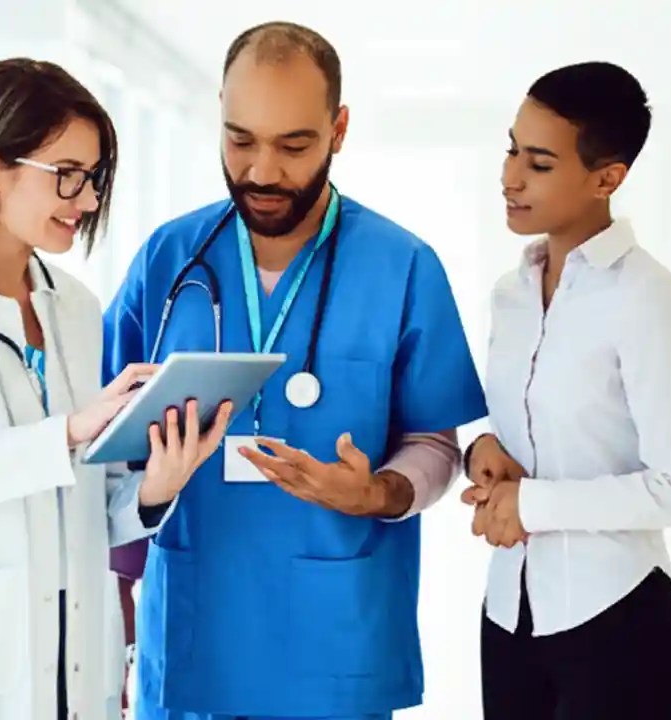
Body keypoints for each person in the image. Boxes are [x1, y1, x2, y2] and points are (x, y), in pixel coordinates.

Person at [104, 22, 487, 720]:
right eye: (240, 139)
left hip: (333, 645)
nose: (262, 172)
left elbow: (436, 442)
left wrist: (379, 492)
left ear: (339, 129)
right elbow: (107, 453)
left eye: (294, 145)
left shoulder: (401, 266)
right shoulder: (169, 259)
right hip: (192, 636)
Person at [0, 58, 233, 720]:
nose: (88, 202)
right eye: (67, 177)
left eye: (93, 180)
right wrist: (65, 432)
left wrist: (155, 489)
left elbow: (86, 500)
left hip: (76, 666)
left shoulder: (77, 308)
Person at [462, 61, 671, 720]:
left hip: (617, 624)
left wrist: (531, 505)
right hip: (507, 617)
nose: (511, 176)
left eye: (540, 163)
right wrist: (480, 446)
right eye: (512, 149)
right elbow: (525, 425)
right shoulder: (509, 294)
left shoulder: (649, 297)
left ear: (608, 178)